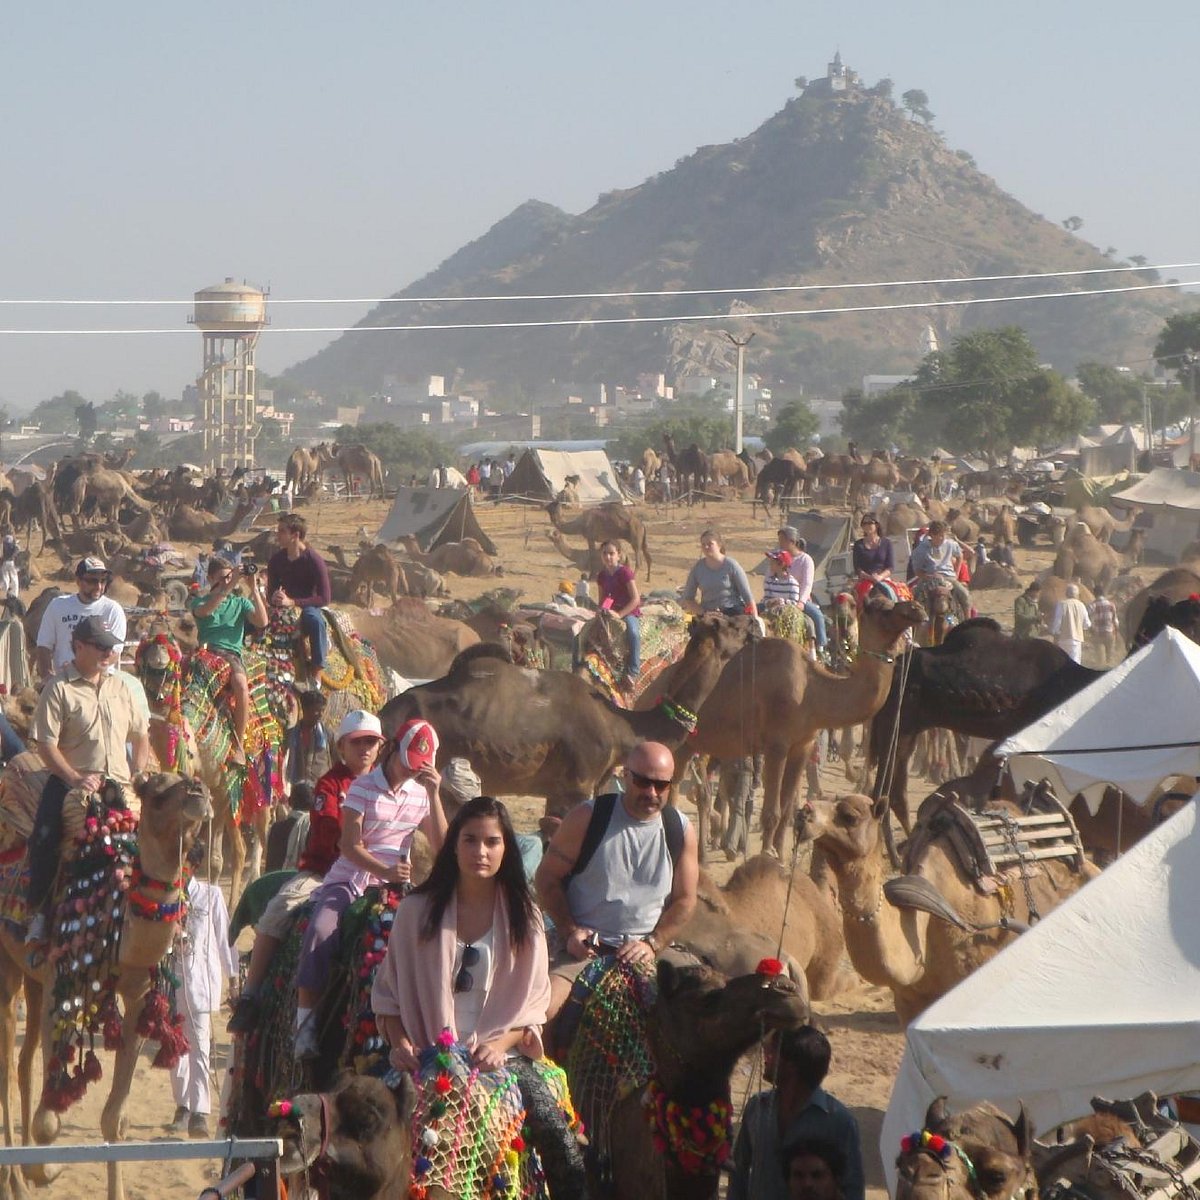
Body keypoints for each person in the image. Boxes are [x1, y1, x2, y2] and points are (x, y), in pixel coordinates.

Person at [373, 796, 587, 1195]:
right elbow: (388, 998)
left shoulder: (527, 918)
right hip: (425, 1055)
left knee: (560, 1141)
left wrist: (497, 1044)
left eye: (492, 842)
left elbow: (531, 1009)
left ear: (507, 848)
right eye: (470, 840)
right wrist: (400, 1044)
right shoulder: (415, 911)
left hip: (500, 1059)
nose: (480, 852)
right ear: (454, 845)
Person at [294, 718, 447, 1058]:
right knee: (321, 931)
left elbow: (443, 846)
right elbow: (349, 846)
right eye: (409, 763)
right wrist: (385, 870)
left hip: (399, 888)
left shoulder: (420, 793)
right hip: (351, 879)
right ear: (392, 749)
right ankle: (304, 1025)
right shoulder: (363, 787)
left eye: (420, 766)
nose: (412, 772)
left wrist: (435, 795)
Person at [228, 710, 386, 1035]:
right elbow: (331, 833)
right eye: (357, 742)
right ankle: (250, 995)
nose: (364, 748)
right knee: (279, 910)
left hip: (380, 874)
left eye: (371, 741)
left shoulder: (388, 785)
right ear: (342, 746)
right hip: (326, 872)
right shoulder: (329, 785)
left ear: (380, 746)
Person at [536, 740, 699, 1019]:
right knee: (542, 1015)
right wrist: (569, 931)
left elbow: (685, 900)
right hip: (585, 950)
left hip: (649, 949)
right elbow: (547, 879)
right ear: (625, 776)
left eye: (661, 785)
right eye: (643, 782)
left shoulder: (679, 829)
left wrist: (653, 944)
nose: (651, 792)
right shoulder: (588, 818)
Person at [24, 617, 149, 943]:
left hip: (122, 785)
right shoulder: (59, 687)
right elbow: (45, 744)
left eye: (110, 646)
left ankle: (164, 922)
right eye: (101, 646)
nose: (109, 652)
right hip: (72, 784)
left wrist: (138, 772)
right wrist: (75, 777)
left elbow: (141, 736)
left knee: (160, 840)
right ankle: (38, 912)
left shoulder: (122, 686)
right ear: (78, 646)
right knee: (45, 838)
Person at [729, 1025, 864, 1200]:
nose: (766, 1057)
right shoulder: (757, 1108)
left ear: (791, 1066)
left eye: (773, 1052)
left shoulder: (839, 1120)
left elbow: (853, 1188)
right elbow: (738, 1173)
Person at [165, 843, 238, 1139]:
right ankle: (182, 1105)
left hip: (202, 982)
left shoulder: (211, 895)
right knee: (174, 1047)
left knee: (199, 1047)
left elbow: (226, 940)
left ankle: (200, 1111)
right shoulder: (166, 898)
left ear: (193, 865)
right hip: (171, 980)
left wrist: (233, 979)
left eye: (183, 863)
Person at [187, 554, 268, 759]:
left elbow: (261, 622)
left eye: (229, 577)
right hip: (207, 650)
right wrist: (229, 586)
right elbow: (206, 611)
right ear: (211, 578)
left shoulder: (240, 602)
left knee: (241, 683)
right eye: (222, 578)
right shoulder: (199, 600)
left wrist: (254, 588)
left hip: (231, 653)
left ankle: (238, 744)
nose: (226, 581)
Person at [35, 557, 127, 682]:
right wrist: (47, 677)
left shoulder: (113, 610)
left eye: (103, 581)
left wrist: (85, 670)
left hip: (100, 680)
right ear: (78, 581)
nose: (99, 587)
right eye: (92, 581)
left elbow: (115, 653)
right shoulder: (57, 606)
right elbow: (43, 645)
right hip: (64, 680)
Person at [266, 514, 332, 677]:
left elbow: (324, 598)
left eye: (282, 531)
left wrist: (293, 602)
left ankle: (316, 670)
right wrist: (273, 597)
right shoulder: (276, 560)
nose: (277, 535)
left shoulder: (314, 560)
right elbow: (270, 593)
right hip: (282, 607)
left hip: (308, 606)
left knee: (314, 620)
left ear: (295, 535)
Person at [596, 539, 642, 688]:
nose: (608, 557)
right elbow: (602, 599)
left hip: (628, 611)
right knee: (584, 634)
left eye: (611, 553)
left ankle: (633, 671)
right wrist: (601, 611)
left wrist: (620, 614)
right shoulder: (601, 576)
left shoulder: (625, 573)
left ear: (618, 555)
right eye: (605, 554)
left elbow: (635, 599)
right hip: (610, 611)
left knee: (633, 633)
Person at [681, 529, 758, 618]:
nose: (706, 547)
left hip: (732, 611)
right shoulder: (698, 568)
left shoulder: (731, 565)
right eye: (703, 544)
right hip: (708, 614)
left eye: (710, 544)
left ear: (719, 545)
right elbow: (688, 598)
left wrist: (755, 619)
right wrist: (703, 613)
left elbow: (747, 595)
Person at [777, 528, 829, 654]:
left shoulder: (806, 560)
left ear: (792, 541)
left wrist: (801, 602)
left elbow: (807, 584)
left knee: (817, 616)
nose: (779, 543)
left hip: (798, 600)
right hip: (779, 598)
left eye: (782, 540)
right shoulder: (778, 557)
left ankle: (821, 648)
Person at [910, 521, 970, 617]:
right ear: (931, 535)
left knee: (965, 595)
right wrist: (926, 576)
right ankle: (916, 628)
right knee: (915, 599)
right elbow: (917, 570)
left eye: (943, 535)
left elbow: (960, 555)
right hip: (929, 578)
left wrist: (956, 573)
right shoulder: (921, 549)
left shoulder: (950, 544)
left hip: (948, 577)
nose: (942, 538)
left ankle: (968, 624)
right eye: (939, 536)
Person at [282, 689, 332, 793]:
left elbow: (337, 762)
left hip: (322, 790)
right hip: (296, 792)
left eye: (322, 710)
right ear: (305, 709)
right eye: (317, 710)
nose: (320, 714)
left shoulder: (327, 735)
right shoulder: (290, 735)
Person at [264, 781, 313, 874]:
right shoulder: (311, 828)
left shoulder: (274, 828)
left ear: (290, 802)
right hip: (294, 884)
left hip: (271, 884)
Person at [850, 516, 894, 604]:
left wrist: (880, 577)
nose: (867, 526)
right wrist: (871, 578)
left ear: (876, 525)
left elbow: (890, 567)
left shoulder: (887, 543)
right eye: (864, 523)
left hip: (883, 578)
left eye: (870, 523)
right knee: (858, 602)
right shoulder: (858, 545)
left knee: (896, 596)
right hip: (865, 580)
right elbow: (858, 569)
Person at [1051, 583, 1091, 664]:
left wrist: (1054, 632)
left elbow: (1057, 622)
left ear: (1066, 593)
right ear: (1077, 594)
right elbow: (1087, 624)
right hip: (1077, 640)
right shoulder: (1081, 605)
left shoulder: (1061, 604)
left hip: (1063, 639)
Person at [1089, 583, 1120, 666]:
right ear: (1103, 593)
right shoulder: (1111, 604)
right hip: (1110, 633)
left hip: (1098, 635)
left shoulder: (1092, 605)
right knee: (1109, 659)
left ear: (1094, 594)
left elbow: (1089, 622)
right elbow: (1116, 621)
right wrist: (1116, 633)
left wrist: (1091, 631)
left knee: (1099, 660)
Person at [0, 528, 19, 598]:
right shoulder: (13, 540)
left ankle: (5, 591)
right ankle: (15, 594)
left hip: (5, 562)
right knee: (14, 577)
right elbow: (17, 549)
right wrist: (13, 556)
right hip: (11, 561)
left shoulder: (4, 540)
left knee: (5, 577)